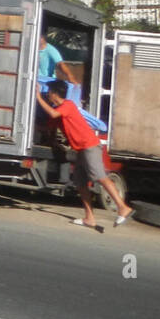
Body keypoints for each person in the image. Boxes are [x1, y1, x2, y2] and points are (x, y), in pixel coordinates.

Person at [35, 80, 133, 229]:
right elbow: (48, 127)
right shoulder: (58, 110)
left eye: (48, 92)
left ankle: (122, 207)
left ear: (55, 93)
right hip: (80, 149)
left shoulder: (67, 105)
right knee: (80, 183)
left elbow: (53, 114)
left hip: (90, 146)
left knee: (100, 177)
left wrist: (38, 97)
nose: (47, 94)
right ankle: (89, 218)